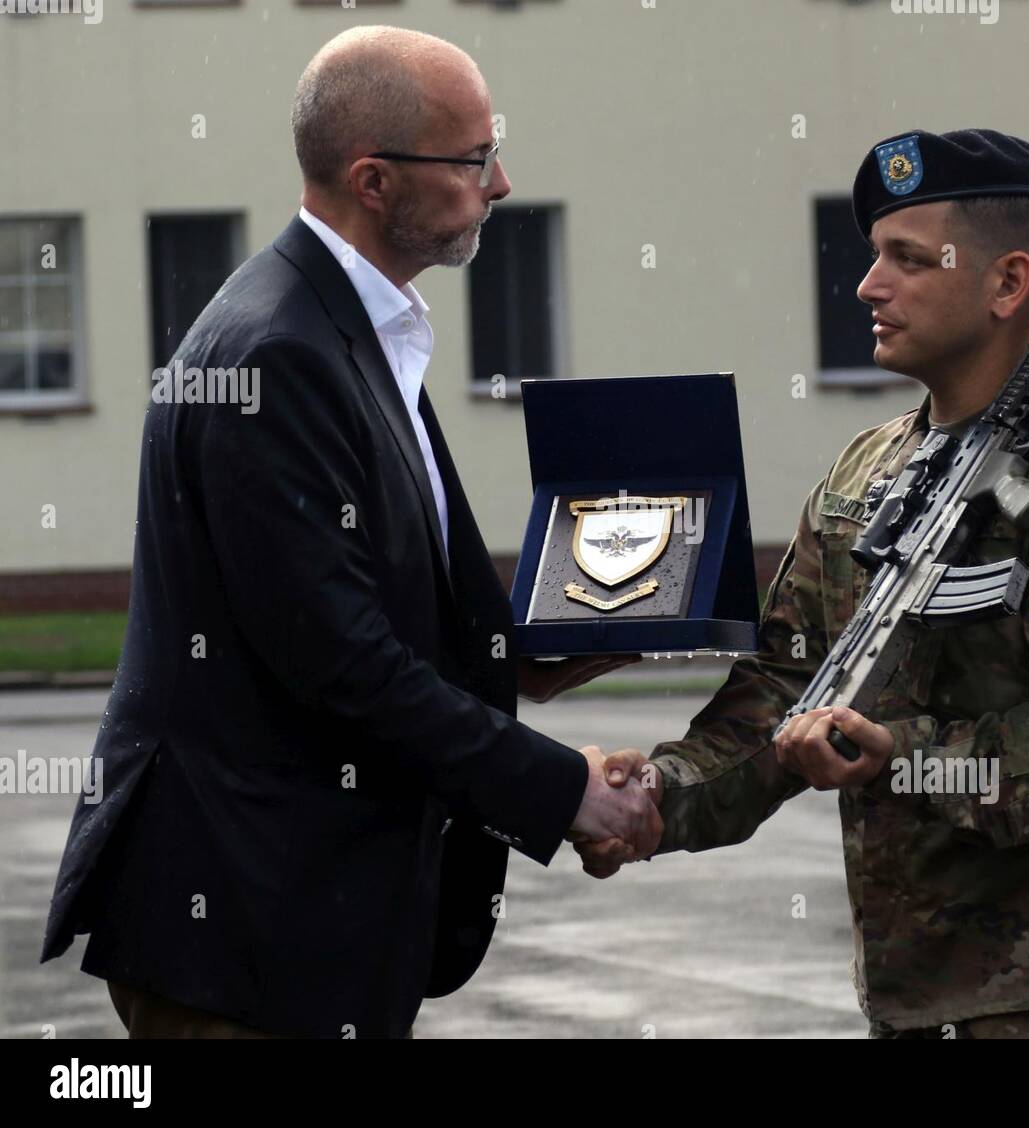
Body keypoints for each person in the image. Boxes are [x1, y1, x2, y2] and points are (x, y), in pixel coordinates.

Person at [40, 26, 659, 1040]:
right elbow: (341, 665)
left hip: (304, 927)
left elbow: (381, 617)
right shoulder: (280, 353)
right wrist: (562, 791)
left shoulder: (352, 328)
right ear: (374, 181)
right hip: (242, 931)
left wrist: (571, 635)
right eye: (471, 159)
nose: (499, 183)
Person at [579, 129, 1029, 1039]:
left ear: (1008, 284)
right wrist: (657, 798)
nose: (868, 286)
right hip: (912, 987)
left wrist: (905, 753)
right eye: (873, 255)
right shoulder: (867, 474)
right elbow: (782, 687)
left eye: (908, 260)